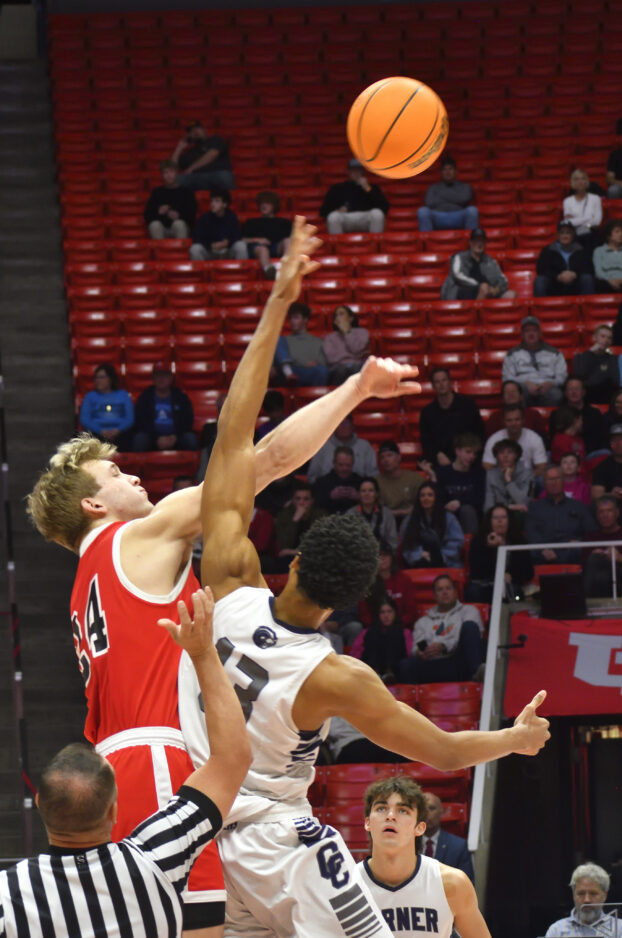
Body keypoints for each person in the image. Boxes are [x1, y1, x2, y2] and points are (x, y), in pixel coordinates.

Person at [29, 220, 435, 937]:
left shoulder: (86, 581)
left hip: (119, 768)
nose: (132, 475)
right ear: (93, 504)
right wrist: (354, 390)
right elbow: (263, 459)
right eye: (114, 474)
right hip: (163, 759)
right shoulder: (139, 536)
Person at [174, 225, 550, 937]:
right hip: (277, 843)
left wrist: (279, 302)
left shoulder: (228, 578)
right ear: (350, 602)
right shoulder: (336, 676)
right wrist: (514, 739)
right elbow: (443, 751)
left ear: (292, 559)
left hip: (197, 832)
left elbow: (233, 434)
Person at [0, 587, 251, 938]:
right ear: (114, 810)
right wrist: (203, 653)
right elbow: (233, 759)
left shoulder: (8, 894)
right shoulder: (158, 858)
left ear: (40, 804)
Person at [359, 779, 490, 938]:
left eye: (403, 810)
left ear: (420, 828)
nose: (391, 816)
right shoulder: (346, 886)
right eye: (381, 808)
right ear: (368, 823)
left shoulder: (451, 883)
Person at [399, 574, 484, 684]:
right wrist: (421, 652)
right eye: (440, 589)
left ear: (456, 592)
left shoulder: (469, 611)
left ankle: (476, 677)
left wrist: (444, 646)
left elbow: (473, 640)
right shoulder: (422, 622)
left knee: (470, 627)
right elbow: (417, 645)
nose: (444, 592)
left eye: (448, 588)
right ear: (434, 595)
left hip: (458, 662)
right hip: (433, 665)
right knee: (405, 665)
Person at [525, 465, 594, 564]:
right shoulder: (535, 508)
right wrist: (542, 550)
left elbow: (591, 533)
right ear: (544, 483)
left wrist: (579, 542)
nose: (554, 483)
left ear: (563, 481)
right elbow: (531, 534)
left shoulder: (579, 507)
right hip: (543, 554)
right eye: (550, 480)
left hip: (573, 554)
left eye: (557, 479)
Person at [466, 504, 534, 604]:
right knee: (474, 591)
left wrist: (511, 575)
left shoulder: (519, 541)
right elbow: (476, 571)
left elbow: (528, 572)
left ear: (509, 520)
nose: (500, 521)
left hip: (511, 585)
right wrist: (490, 548)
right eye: (495, 518)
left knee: (516, 592)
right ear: (489, 521)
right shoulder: (478, 541)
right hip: (486, 585)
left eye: (503, 517)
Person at [419, 368, 486, 466]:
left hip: (468, 459)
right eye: (437, 382)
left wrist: (468, 454)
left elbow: (479, 434)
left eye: (444, 380)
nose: (441, 384)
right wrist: (437, 455)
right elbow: (426, 442)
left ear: (450, 382)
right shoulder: (427, 412)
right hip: (440, 462)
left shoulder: (468, 405)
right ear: (433, 386)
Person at [501, 316, 568, 407]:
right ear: (522, 334)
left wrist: (551, 383)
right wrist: (525, 383)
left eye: (534, 330)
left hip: (548, 388)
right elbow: (507, 378)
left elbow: (562, 376)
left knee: (557, 395)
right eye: (527, 331)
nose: (531, 334)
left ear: (540, 333)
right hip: (523, 389)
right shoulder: (512, 354)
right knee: (515, 394)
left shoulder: (555, 353)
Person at [132, 362, 198, 452]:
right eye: (158, 376)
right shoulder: (145, 396)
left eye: (164, 375)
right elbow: (140, 421)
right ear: (153, 378)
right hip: (152, 437)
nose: (161, 379)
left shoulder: (180, 396)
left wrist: (175, 436)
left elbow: (187, 420)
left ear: (171, 378)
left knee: (190, 439)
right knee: (140, 440)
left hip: (176, 437)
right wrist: (156, 438)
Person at [430, 432, 486, 535]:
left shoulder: (479, 472)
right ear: (457, 451)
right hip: (447, 514)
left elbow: (479, 498)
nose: (471, 456)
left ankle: (470, 542)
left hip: (471, 516)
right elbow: (439, 497)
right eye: (468, 452)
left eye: (474, 453)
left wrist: (460, 502)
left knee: (467, 510)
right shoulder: (442, 472)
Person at [400, 483, 465, 568]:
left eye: (430, 495)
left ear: (436, 498)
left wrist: (438, 555)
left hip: (446, 562)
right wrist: (419, 554)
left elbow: (456, 542)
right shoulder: (409, 520)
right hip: (418, 562)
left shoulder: (449, 518)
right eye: (422, 495)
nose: (426, 498)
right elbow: (407, 545)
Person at [545, 862, 619, 938]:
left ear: (604, 895)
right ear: (573, 895)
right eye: (581, 893)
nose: (587, 900)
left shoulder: (619, 929)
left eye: (593, 893)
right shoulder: (557, 931)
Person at [358, 540, 419, 630]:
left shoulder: (404, 579)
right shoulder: (368, 583)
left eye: (385, 555)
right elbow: (364, 615)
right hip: (376, 630)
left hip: (401, 628)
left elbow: (412, 612)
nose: (382, 558)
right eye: (378, 556)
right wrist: (380, 627)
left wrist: (396, 625)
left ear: (392, 558)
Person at [440, 228, 515, 300]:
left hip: (484, 291)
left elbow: (503, 280)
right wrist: (480, 285)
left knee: (511, 294)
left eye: (482, 241)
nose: (479, 244)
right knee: (484, 288)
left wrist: (495, 290)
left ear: (485, 243)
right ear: (470, 243)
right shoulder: (460, 257)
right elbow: (457, 275)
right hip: (459, 291)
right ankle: (477, 308)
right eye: (476, 241)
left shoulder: (490, 261)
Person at [350, 597, 411, 683]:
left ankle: (389, 672)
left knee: (394, 633)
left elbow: (408, 654)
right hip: (369, 670)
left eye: (389, 611)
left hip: (397, 670)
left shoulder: (405, 632)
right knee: (373, 633)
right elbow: (356, 653)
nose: (386, 615)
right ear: (377, 615)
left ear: (395, 613)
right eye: (382, 612)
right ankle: (375, 672)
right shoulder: (367, 632)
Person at [320, 157, 389, 234]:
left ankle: (376, 241)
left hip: (365, 218)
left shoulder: (372, 188)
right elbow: (323, 211)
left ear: (363, 172)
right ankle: (337, 242)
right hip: (346, 219)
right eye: (354, 170)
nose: (356, 173)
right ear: (348, 171)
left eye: (359, 170)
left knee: (377, 214)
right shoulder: (338, 188)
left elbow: (384, 207)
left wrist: (368, 189)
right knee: (333, 217)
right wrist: (337, 210)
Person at [307, 412, 378, 482]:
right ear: (334, 426)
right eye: (340, 423)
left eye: (346, 423)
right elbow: (312, 477)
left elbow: (373, 476)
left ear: (352, 426)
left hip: (358, 487)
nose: (343, 427)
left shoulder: (365, 447)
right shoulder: (322, 447)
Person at [421, 791, 475, 882]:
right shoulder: (406, 844)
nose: (427, 813)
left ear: (441, 812)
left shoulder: (458, 846)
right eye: (422, 809)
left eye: (431, 808)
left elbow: (467, 885)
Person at [274, 479, 326, 572]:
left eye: (306, 499)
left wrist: (295, 552)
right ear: (293, 500)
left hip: (313, 556)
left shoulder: (320, 515)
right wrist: (295, 520)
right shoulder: (284, 516)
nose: (301, 502)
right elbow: (284, 545)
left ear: (312, 501)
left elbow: (320, 545)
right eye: (298, 499)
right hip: (289, 558)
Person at [533, 220, 595, 298]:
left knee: (587, 279)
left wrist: (575, 274)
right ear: (557, 235)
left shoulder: (581, 250)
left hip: (575, 284)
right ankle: (540, 306)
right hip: (555, 285)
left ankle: (587, 305)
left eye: (568, 233)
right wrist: (557, 276)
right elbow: (541, 269)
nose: (565, 236)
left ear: (573, 235)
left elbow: (589, 268)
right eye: (562, 233)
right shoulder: (548, 250)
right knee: (540, 280)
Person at [79, 363, 134, 451]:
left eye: (101, 377)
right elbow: (85, 419)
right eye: (96, 377)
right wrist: (101, 431)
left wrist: (117, 430)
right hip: (97, 434)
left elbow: (129, 419)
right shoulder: (90, 396)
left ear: (110, 379)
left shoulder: (123, 395)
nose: (98, 380)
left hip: (120, 433)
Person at [273, 301, 329, 386]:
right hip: (288, 372)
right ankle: (289, 373)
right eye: (290, 318)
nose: (292, 321)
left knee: (321, 370)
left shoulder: (318, 342)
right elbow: (276, 362)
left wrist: (315, 364)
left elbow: (323, 363)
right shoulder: (283, 340)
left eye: (296, 317)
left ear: (305, 320)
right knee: (277, 339)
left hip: (307, 373)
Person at [240, 190, 292, 279]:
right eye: (261, 203)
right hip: (258, 248)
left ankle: (288, 268)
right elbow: (242, 239)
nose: (263, 206)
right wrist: (257, 240)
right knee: (263, 249)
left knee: (288, 241)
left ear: (274, 205)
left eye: (267, 203)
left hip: (276, 247)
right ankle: (269, 270)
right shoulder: (251, 222)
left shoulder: (284, 222)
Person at [482, 404, 548, 476]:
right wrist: (503, 477)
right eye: (509, 420)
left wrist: (523, 478)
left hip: (527, 478)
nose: (513, 423)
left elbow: (542, 467)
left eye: (517, 419)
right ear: (503, 422)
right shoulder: (494, 439)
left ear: (523, 420)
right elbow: (487, 466)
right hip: (500, 478)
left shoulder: (535, 439)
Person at [417, 156, 479, 232]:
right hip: (438, 217)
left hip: (458, 216)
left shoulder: (464, 186)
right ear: (441, 173)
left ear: (456, 171)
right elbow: (429, 202)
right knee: (423, 211)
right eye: (445, 169)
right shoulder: (433, 187)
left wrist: (441, 196)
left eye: (450, 169)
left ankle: (471, 239)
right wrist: (455, 197)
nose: (448, 172)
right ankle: (426, 239)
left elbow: (465, 199)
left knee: (472, 210)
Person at [172, 120, 235, 191]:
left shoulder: (215, 139)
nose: (195, 131)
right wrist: (179, 148)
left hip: (219, 174)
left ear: (204, 130)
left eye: (197, 128)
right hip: (199, 178)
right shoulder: (190, 152)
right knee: (176, 180)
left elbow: (212, 155)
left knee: (224, 177)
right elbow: (173, 167)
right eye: (191, 131)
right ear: (189, 136)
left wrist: (191, 168)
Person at [551, 377, 607, 456]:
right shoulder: (556, 414)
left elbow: (601, 439)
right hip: (564, 457)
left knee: (605, 453)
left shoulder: (595, 414)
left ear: (583, 392)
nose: (574, 392)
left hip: (591, 454)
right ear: (565, 392)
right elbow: (553, 440)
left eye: (577, 389)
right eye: (570, 389)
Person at [144, 158, 197, 239]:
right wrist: (159, 212)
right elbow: (147, 215)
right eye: (165, 172)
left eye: (171, 171)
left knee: (179, 224)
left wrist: (179, 216)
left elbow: (192, 213)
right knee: (154, 225)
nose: (169, 175)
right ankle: (159, 248)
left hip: (180, 227)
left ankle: (181, 247)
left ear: (176, 173)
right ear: (162, 175)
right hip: (162, 228)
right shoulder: (156, 192)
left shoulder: (186, 192)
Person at [189, 188, 246, 261]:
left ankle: (241, 268)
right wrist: (211, 245)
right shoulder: (204, 218)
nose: (213, 204)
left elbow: (237, 236)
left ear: (225, 204)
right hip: (210, 251)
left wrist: (227, 242)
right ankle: (199, 269)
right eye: (211, 201)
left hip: (227, 251)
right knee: (195, 249)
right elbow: (197, 238)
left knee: (240, 246)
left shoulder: (232, 217)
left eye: (217, 201)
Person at [583, 496, 622, 597]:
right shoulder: (590, 537)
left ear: (617, 513)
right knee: (596, 560)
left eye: (609, 511)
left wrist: (619, 558)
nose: (605, 515)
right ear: (596, 515)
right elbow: (584, 566)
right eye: (601, 512)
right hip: (598, 583)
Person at [376, 440, 425, 520]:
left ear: (399, 457)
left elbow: (425, 503)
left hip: (413, 519)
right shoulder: (376, 482)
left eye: (389, 455)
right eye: (382, 457)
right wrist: (400, 512)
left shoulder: (415, 478)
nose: (386, 460)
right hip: (386, 520)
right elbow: (375, 510)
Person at [323, 304, 371, 384]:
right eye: (336, 315)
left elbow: (357, 349)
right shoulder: (329, 338)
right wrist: (352, 357)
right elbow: (331, 359)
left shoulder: (362, 333)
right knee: (341, 370)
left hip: (358, 366)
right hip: (338, 369)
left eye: (341, 314)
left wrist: (347, 333)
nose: (338, 317)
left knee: (357, 368)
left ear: (351, 318)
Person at [573, 324, 619, 405]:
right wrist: (590, 352)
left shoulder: (613, 359)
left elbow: (615, 380)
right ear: (594, 338)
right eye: (603, 336)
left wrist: (591, 380)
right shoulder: (580, 357)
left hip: (607, 396)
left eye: (609, 338)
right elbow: (579, 375)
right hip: (586, 397)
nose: (606, 340)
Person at [484, 439, 534, 513]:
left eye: (510, 452)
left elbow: (525, 502)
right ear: (496, 456)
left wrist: (509, 481)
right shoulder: (490, 475)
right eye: (501, 452)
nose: (505, 456)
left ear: (516, 455)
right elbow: (488, 507)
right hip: (498, 514)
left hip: (521, 514)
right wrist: (511, 507)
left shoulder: (528, 474)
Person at [348, 476, 398, 548]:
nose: (367, 494)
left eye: (370, 490)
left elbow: (393, 542)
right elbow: (347, 541)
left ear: (376, 494)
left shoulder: (387, 514)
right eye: (363, 491)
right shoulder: (350, 514)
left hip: (382, 553)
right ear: (359, 494)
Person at [313, 445, 363, 514]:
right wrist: (330, 496)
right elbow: (315, 506)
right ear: (334, 463)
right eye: (341, 465)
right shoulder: (321, 483)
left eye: (348, 465)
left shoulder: (361, 482)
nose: (344, 468)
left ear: (353, 463)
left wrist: (359, 497)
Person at [562, 169, 602, 253]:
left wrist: (577, 221)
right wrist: (588, 218)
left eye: (583, 178)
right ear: (573, 182)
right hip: (575, 236)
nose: (580, 182)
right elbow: (568, 223)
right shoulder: (567, 201)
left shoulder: (595, 198)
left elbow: (597, 222)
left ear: (586, 181)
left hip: (591, 235)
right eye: (577, 179)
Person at [591, 423, 622, 500]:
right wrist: (611, 494)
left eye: (621, 439)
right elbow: (596, 495)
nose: (618, 443)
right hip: (611, 504)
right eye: (614, 440)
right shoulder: (603, 467)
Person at [593, 218, 622, 293]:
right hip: (606, 282)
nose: (621, 234)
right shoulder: (599, 251)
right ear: (609, 236)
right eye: (617, 231)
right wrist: (610, 280)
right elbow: (598, 271)